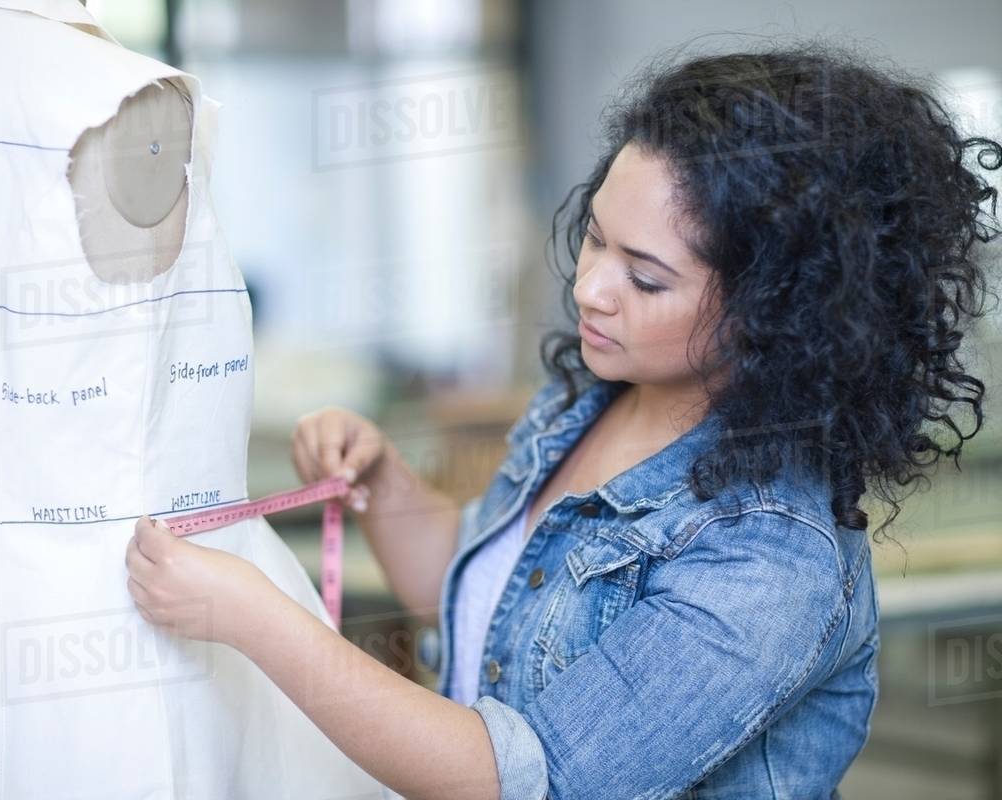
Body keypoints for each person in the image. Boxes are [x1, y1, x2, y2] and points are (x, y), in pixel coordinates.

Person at [126, 39, 1001, 799]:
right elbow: (491, 603)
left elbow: (524, 777)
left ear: (782, 308)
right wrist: (385, 484)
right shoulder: (596, 398)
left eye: (646, 277)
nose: (589, 289)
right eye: (595, 237)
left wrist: (252, 618)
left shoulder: (771, 556)